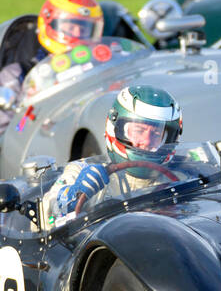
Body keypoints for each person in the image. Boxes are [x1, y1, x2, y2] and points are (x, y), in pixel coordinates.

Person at [41, 84, 183, 228]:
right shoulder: (82, 171)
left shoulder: (182, 173)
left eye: (156, 134)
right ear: (115, 128)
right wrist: (73, 194)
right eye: (139, 131)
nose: (146, 142)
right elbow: (46, 216)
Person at [0, 0, 104, 138]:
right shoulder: (16, 74)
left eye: (84, 29)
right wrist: (28, 107)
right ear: (49, 24)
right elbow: (7, 136)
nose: (77, 35)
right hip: (40, 150)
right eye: (70, 27)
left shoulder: (100, 67)